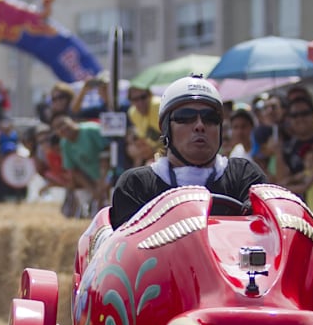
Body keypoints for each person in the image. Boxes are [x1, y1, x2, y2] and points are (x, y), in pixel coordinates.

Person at [109, 75, 267, 229]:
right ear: (165, 128)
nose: (200, 125)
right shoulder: (136, 185)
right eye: (185, 116)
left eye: (210, 117)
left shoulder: (245, 176)